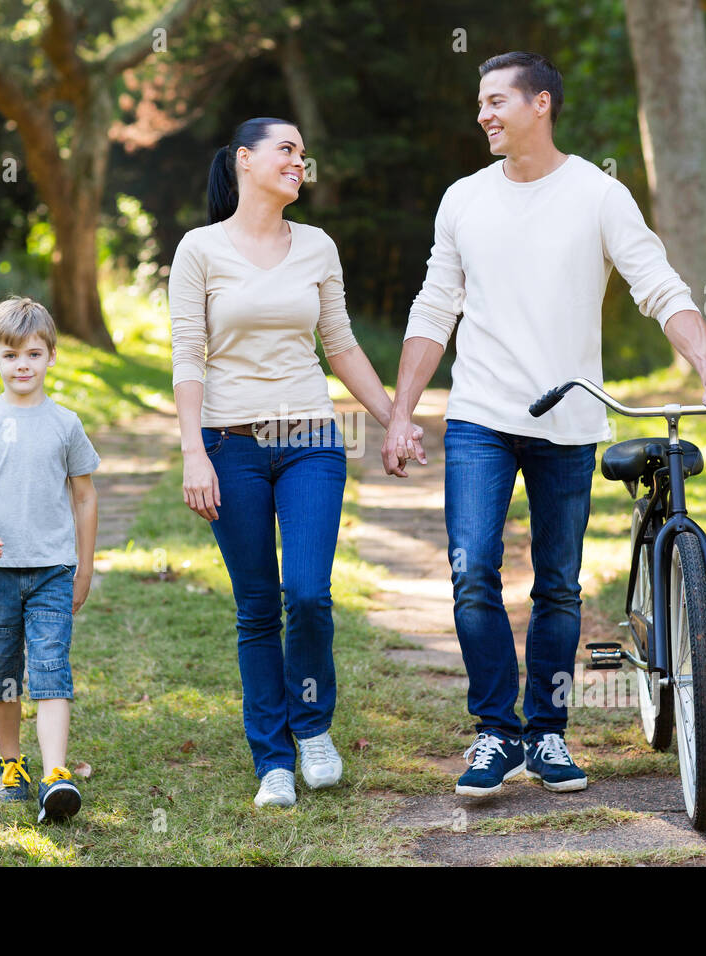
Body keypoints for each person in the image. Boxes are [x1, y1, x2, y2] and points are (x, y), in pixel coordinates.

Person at [382, 52, 706, 797]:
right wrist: (400, 412)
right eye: (479, 102)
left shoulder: (597, 193)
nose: (483, 114)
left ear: (540, 103)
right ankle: (496, 731)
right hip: (481, 415)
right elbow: (433, 307)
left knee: (557, 586)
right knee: (472, 573)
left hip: (571, 420)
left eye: (496, 101)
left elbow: (658, 285)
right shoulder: (463, 199)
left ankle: (546, 735)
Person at [169, 117, 421, 808]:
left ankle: (312, 727)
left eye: (304, 154)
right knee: (257, 607)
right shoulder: (199, 250)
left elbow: (338, 344)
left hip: (311, 437)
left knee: (307, 594)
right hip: (231, 444)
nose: (299, 162)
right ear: (244, 160)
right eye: (287, 150)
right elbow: (188, 354)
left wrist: (394, 417)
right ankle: (273, 759)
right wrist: (195, 450)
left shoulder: (316, 247)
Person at [0, 296, 100, 823]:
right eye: (11, 356)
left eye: (33, 354)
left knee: (52, 668)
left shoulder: (65, 423)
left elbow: (85, 497)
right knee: (0, 673)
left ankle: (56, 774)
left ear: (51, 357)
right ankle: (12, 764)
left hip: (53, 572)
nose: (23, 365)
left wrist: (85, 566)